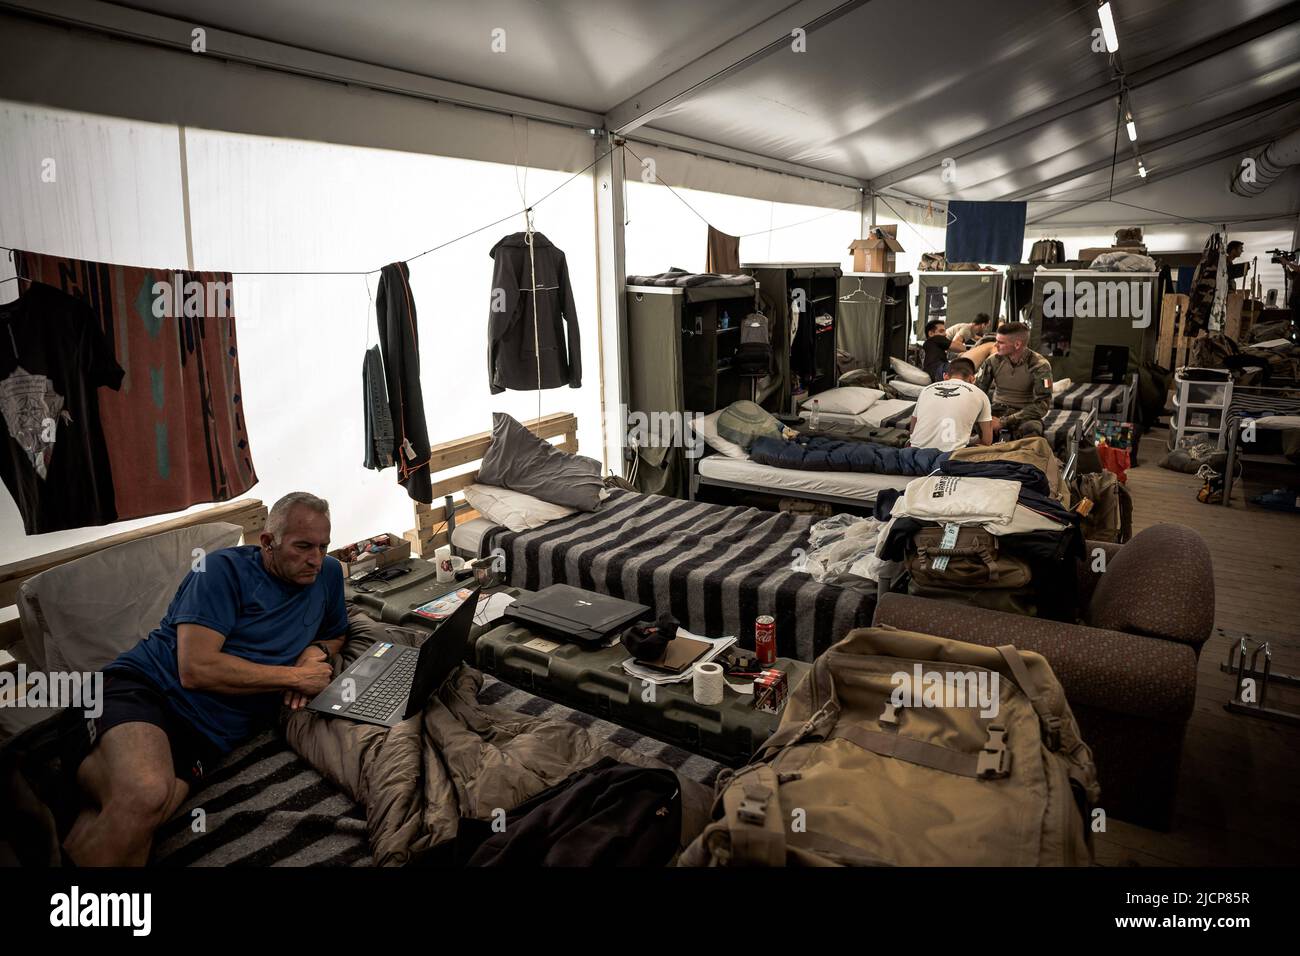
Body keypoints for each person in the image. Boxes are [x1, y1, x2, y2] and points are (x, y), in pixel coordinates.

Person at [63, 492, 348, 866]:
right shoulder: (220, 571)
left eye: (323, 546)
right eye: (303, 546)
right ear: (267, 542)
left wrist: (316, 654)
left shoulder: (326, 574)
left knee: (142, 815)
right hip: (147, 689)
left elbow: (336, 633)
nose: (315, 558)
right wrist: (295, 676)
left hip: (207, 734)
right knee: (146, 794)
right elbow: (195, 669)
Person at [974, 321, 1053, 439]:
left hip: (1024, 414)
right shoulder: (993, 361)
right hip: (996, 409)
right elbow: (977, 393)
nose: (995, 345)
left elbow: (1042, 405)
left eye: (1000, 342)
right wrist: (984, 416)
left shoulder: (1039, 365)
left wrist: (1003, 422)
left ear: (1017, 344)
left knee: (1032, 429)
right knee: (967, 422)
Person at [909, 356, 993, 452]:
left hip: (914, 454)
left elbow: (912, 430)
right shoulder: (980, 394)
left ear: (945, 376)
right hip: (949, 459)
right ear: (972, 379)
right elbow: (987, 441)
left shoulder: (926, 389)